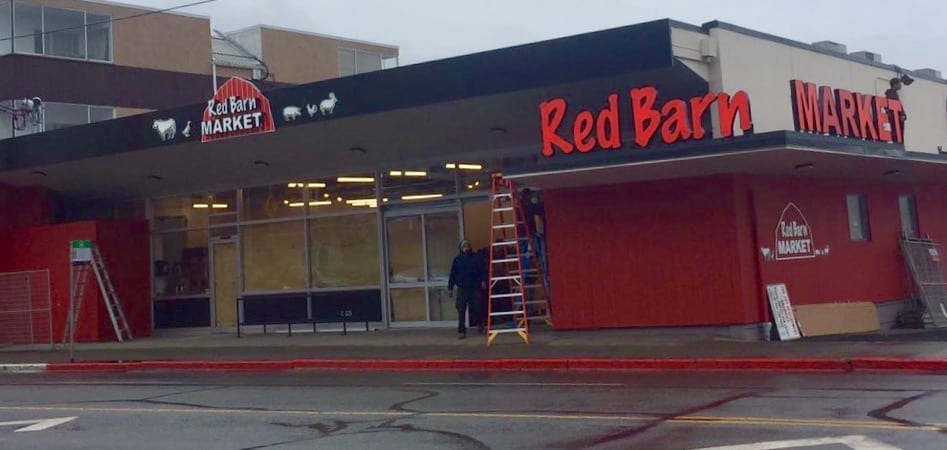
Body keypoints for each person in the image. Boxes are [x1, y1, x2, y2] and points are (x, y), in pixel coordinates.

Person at [448, 240, 484, 339]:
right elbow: (453, 274)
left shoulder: (475, 257)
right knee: (461, 309)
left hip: (474, 286)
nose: (466, 248)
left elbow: (481, 270)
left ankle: (479, 324)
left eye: (467, 246)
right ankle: (462, 331)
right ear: (461, 248)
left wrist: (483, 280)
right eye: (464, 246)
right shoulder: (457, 260)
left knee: (477, 307)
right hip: (462, 288)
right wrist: (450, 288)